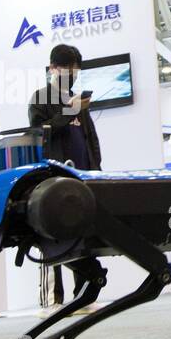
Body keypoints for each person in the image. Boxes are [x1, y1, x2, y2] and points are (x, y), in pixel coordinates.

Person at [28, 44, 103, 306]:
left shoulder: (78, 100)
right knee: (52, 238)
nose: (71, 73)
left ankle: (83, 296)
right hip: (53, 182)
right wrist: (68, 111)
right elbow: (40, 134)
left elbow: (90, 137)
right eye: (66, 67)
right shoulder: (41, 98)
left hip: (82, 178)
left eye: (75, 68)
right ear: (52, 69)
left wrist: (96, 170)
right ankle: (52, 300)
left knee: (82, 236)